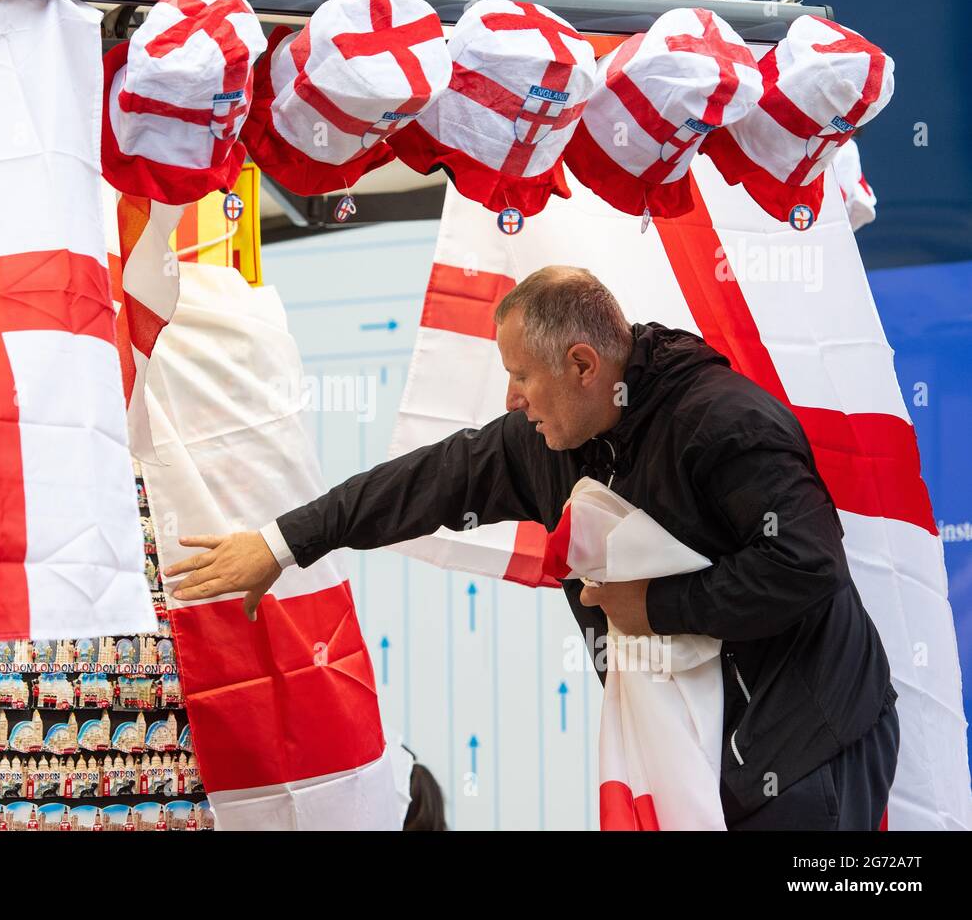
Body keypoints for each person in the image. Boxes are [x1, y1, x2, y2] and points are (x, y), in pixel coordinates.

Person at [164, 266, 900, 830]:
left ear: (583, 366)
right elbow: (427, 481)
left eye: (520, 376)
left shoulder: (723, 423)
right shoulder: (553, 439)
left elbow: (805, 564)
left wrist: (655, 605)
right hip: (700, 745)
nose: (513, 398)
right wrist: (282, 543)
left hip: (809, 737)